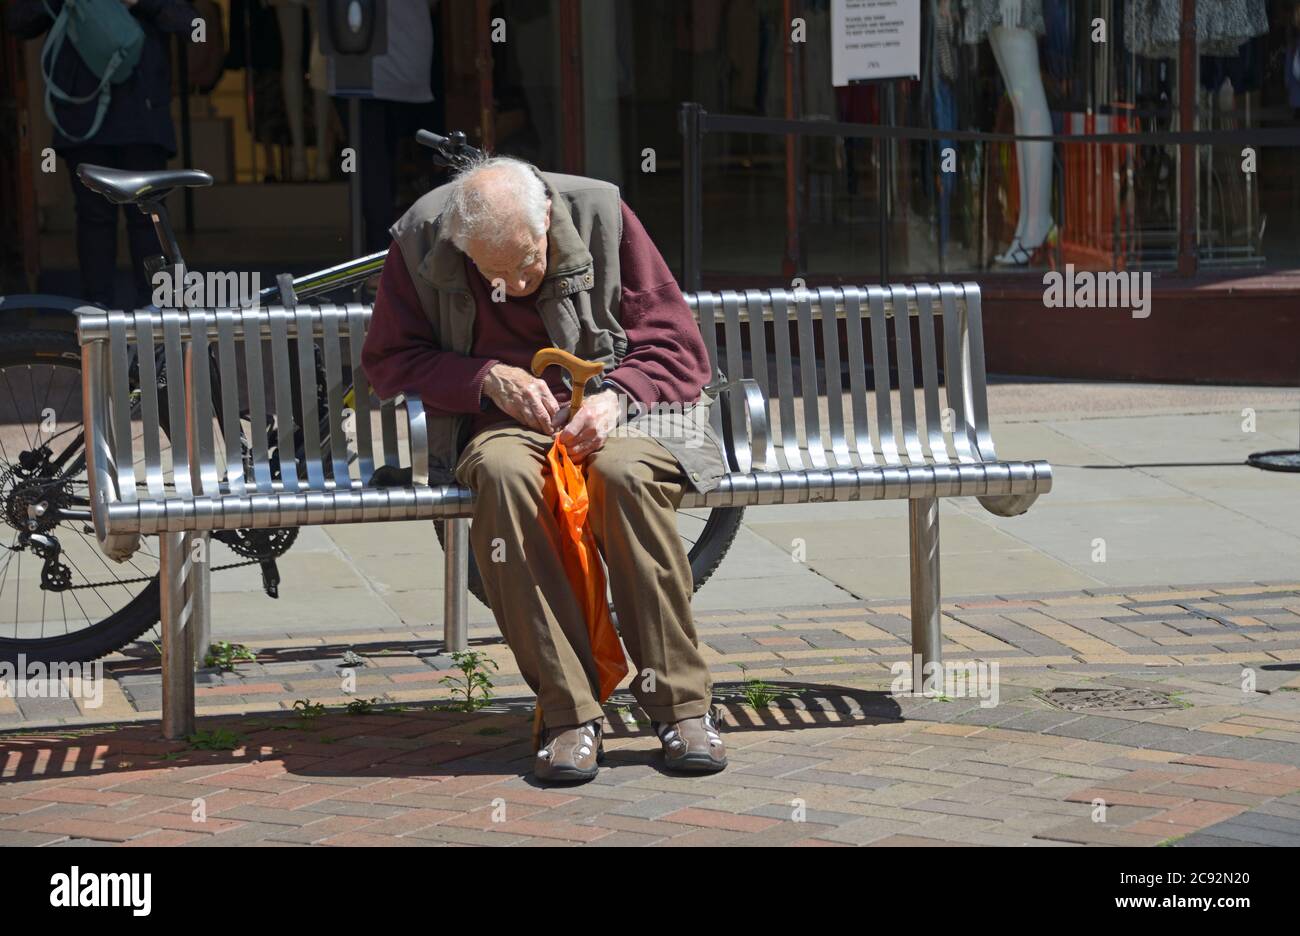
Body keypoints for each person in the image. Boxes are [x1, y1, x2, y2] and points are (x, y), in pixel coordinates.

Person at [361, 156, 729, 784]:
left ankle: (681, 707)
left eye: (527, 261)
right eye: (492, 272)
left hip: (628, 411)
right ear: (461, 244)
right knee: (504, 477)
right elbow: (389, 361)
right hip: (501, 422)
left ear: (548, 220)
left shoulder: (602, 212)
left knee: (622, 476)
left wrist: (619, 394)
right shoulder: (422, 235)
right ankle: (569, 714)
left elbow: (676, 344)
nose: (516, 283)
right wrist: (483, 378)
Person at [6, 0, 198, 308]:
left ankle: (159, 318)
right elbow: (17, 21)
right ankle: (98, 318)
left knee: (148, 218)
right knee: (94, 220)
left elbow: (195, 29)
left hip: (143, 117)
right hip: (84, 118)